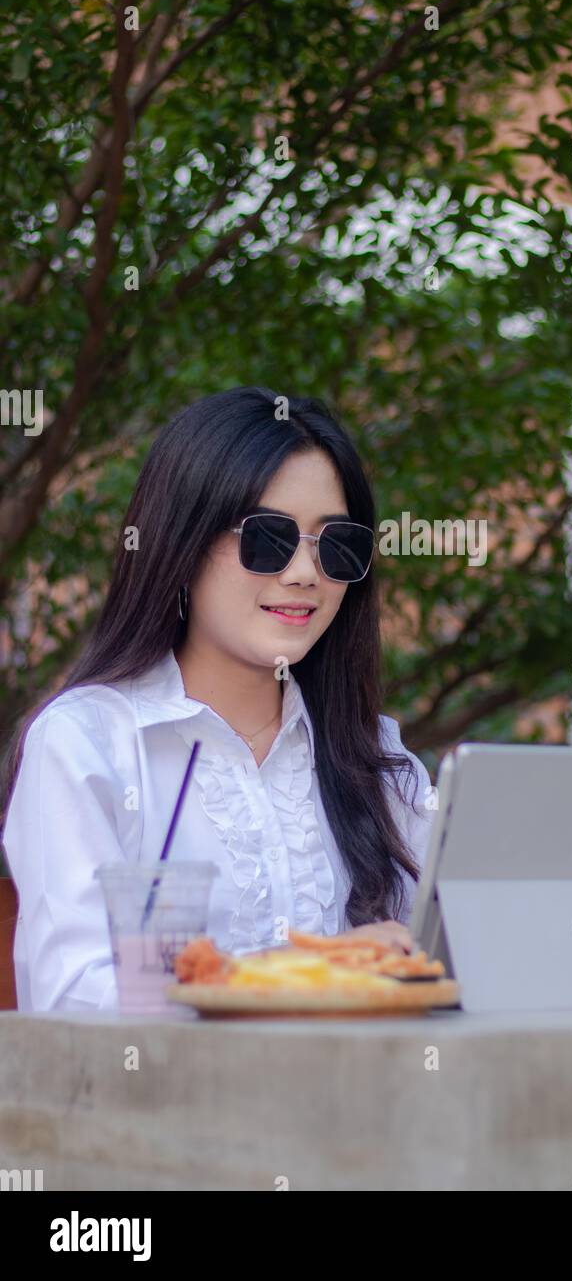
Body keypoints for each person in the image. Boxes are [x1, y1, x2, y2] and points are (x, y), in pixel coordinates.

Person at [1, 388, 435, 1012]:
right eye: (268, 538)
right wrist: (299, 973)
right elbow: (71, 998)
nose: (304, 572)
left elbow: (453, 968)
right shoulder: (87, 745)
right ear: (181, 544)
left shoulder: (380, 761)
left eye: (335, 542)